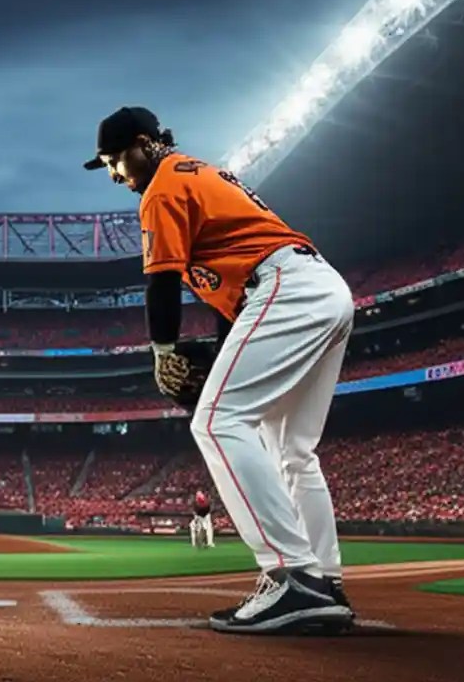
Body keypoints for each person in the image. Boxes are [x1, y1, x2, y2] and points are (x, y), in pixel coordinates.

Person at [84, 107, 354, 635]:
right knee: (293, 451)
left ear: (145, 145)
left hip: (282, 288)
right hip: (321, 288)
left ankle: (292, 577)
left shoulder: (162, 187)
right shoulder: (197, 174)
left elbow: (160, 283)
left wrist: (163, 351)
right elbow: (229, 310)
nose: (115, 174)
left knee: (215, 422)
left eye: (117, 160)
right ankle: (325, 582)